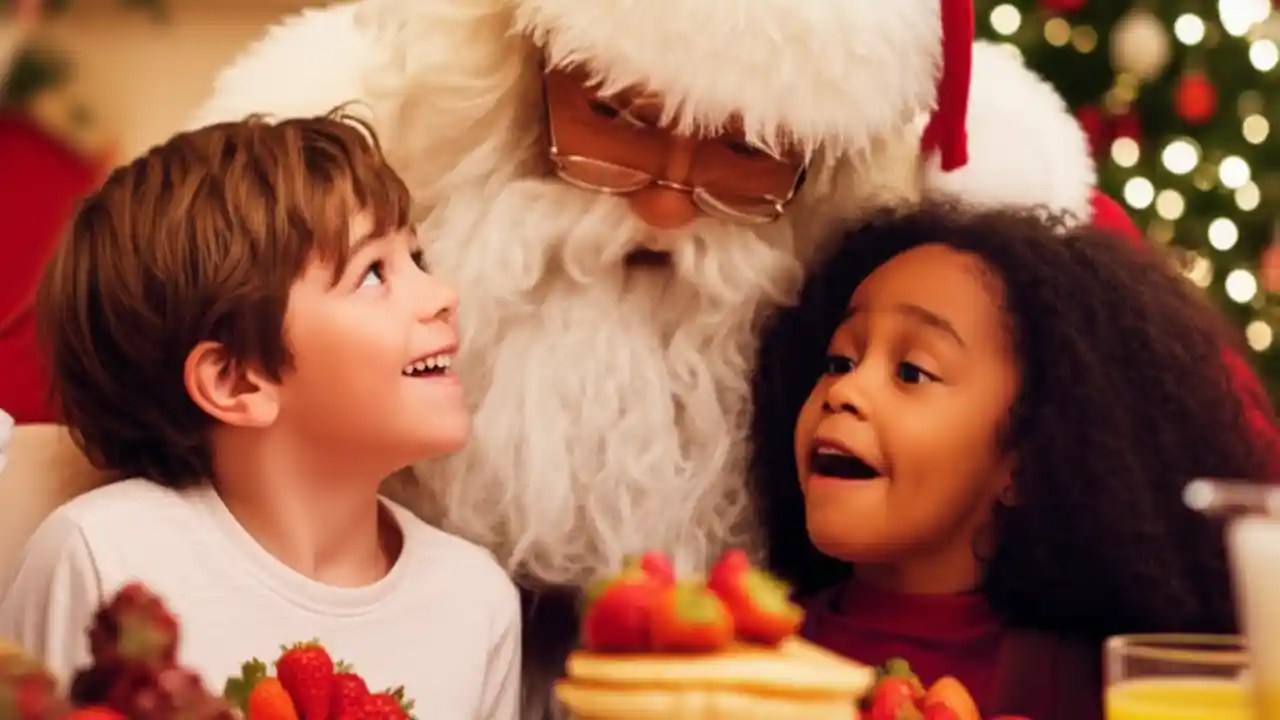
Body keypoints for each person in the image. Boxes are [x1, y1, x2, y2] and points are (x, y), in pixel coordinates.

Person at [17, 0, 1277, 716]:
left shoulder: (971, 226)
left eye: (743, 150)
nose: (668, 202)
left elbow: (1204, 498)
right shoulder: (325, 168)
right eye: (613, 121)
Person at [0, 110, 521, 718]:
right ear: (235, 380)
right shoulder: (104, 556)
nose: (443, 296)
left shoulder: (476, 600)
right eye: (373, 274)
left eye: (418, 260)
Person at [749, 205, 1271, 720]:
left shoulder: (1083, 685)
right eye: (840, 361)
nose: (846, 389)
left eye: (912, 371)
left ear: (1024, 458)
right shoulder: (747, 641)